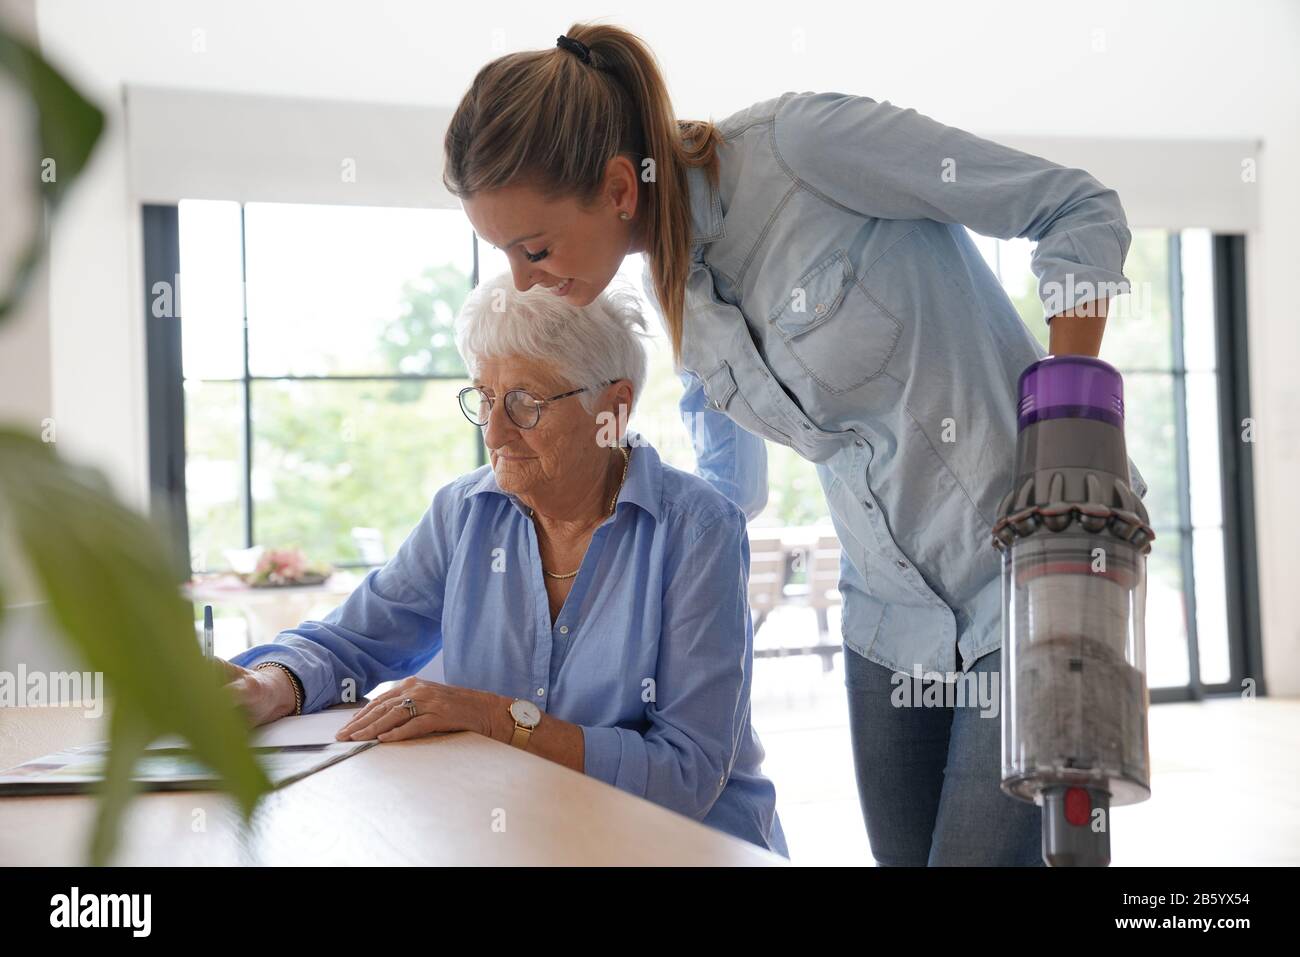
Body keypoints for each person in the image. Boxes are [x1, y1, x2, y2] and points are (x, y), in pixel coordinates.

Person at [441, 22, 1148, 865]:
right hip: (889, 621)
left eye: (533, 247)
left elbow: (1077, 209)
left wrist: (1064, 430)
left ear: (620, 186)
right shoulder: (681, 298)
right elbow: (731, 489)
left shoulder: (802, 150)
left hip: (1032, 579)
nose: (524, 278)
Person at [223, 272, 788, 856]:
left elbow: (686, 774)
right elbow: (350, 642)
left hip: (685, 847)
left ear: (613, 410)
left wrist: (499, 720)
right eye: (485, 399)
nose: (494, 432)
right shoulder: (465, 512)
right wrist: (271, 685)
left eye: (525, 403)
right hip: (523, 830)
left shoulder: (697, 529)